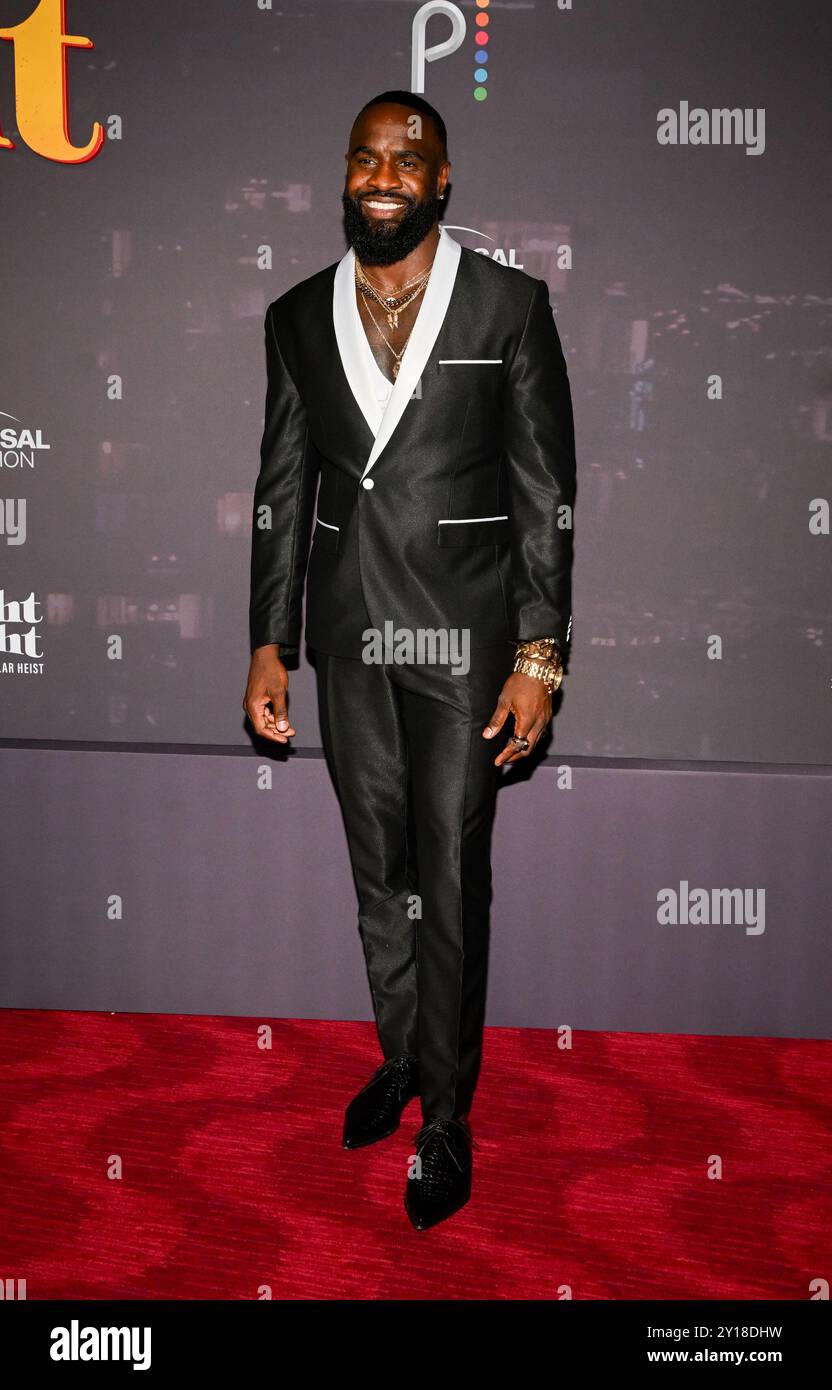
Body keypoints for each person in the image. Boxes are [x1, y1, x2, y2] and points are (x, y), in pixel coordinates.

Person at [244, 90, 576, 1229]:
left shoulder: (510, 306)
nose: (382, 174)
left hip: (464, 644)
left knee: (451, 875)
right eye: (364, 157)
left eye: (407, 158)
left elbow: (543, 495)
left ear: (441, 181)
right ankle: (401, 1055)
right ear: (347, 176)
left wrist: (539, 653)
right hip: (351, 639)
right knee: (377, 873)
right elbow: (283, 492)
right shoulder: (295, 316)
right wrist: (267, 642)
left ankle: (446, 1117)